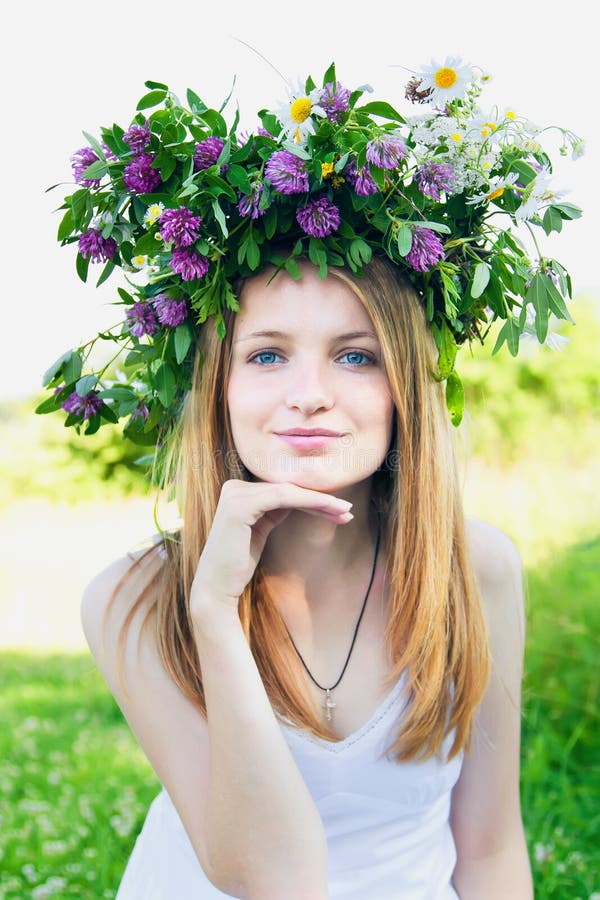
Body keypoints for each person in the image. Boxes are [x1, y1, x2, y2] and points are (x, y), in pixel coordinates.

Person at [41, 56, 581, 899]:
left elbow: (488, 850)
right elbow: (275, 879)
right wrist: (214, 613)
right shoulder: (134, 602)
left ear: (406, 386)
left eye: (356, 356)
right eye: (267, 356)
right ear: (218, 389)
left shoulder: (476, 571)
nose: (310, 398)